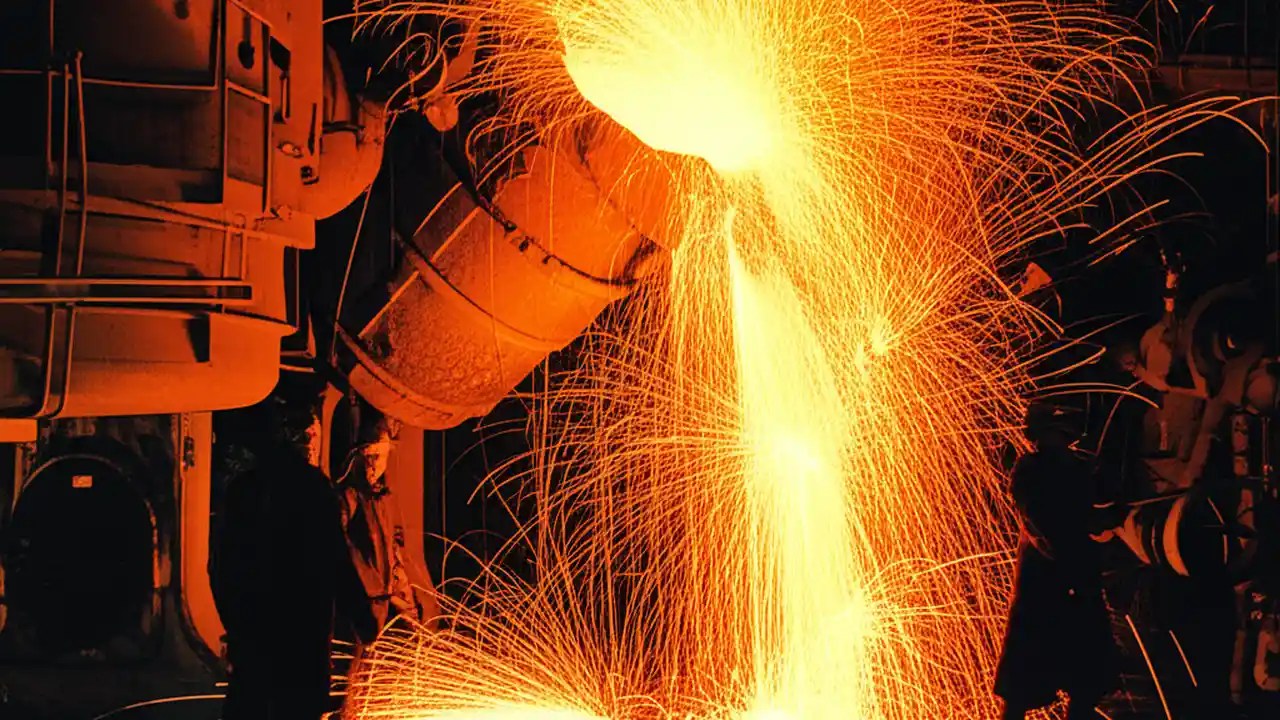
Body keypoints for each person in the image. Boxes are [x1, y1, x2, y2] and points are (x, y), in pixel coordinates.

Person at [211, 395, 373, 720]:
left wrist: (237, 626)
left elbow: (220, 569)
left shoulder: (243, 491)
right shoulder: (312, 488)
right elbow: (337, 561)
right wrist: (363, 619)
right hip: (302, 649)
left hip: (255, 648)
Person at [995, 401, 1121, 720]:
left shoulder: (1079, 469)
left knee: (1086, 684)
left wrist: (1104, 522)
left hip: (1073, 586)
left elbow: (1090, 516)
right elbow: (1040, 524)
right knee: (1021, 690)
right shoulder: (1029, 470)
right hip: (1045, 587)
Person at [335, 410, 432, 641]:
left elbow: (393, 561)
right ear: (354, 458)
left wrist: (410, 613)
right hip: (355, 614)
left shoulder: (382, 502)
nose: (374, 464)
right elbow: (343, 555)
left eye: (379, 455)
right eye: (368, 455)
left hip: (380, 609)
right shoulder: (347, 499)